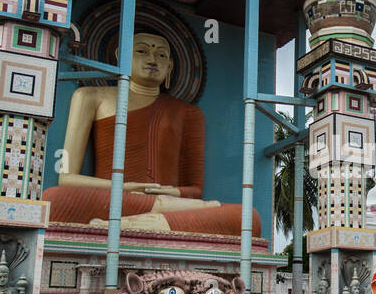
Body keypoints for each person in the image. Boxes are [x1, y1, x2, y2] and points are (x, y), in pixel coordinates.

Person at [42, 32, 255, 236]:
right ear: (121, 56)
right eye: (142, 51)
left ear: (170, 66)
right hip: (115, 200)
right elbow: (67, 178)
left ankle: (127, 225)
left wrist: (170, 194)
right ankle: (148, 222)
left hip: (172, 203)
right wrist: (124, 188)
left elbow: (195, 190)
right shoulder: (90, 96)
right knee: (54, 199)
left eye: (161, 55)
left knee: (247, 218)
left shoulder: (189, 112)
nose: (153, 59)